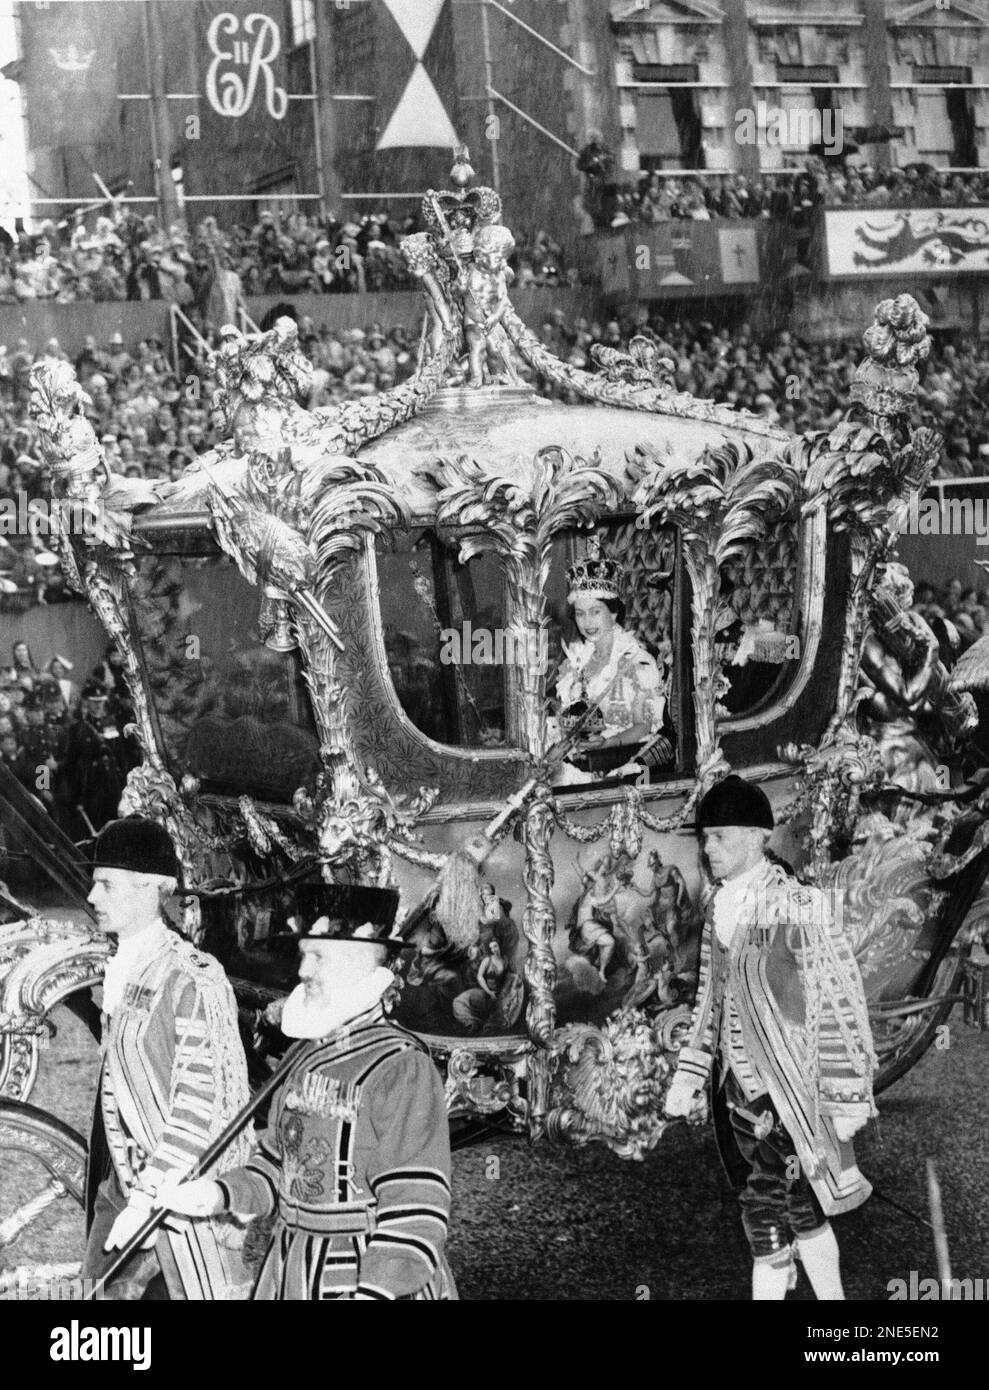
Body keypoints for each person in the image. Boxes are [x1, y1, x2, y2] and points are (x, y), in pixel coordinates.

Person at [158, 881, 457, 1300]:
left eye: (318, 956)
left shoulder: (402, 1068)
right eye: (303, 955)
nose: (302, 971)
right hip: (295, 1268)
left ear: (361, 962)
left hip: (367, 1279)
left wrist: (374, 1292)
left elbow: (416, 1206)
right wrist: (219, 1194)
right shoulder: (306, 1053)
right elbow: (279, 1162)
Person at [664, 775, 876, 1301]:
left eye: (719, 837)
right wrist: (691, 1074)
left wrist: (847, 1094)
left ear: (756, 836)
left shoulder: (798, 906)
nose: (707, 849)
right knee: (792, 1205)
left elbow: (838, 1001)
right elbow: (709, 1002)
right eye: (704, 839)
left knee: (767, 1204)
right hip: (742, 1096)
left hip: (793, 1090)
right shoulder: (718, 910)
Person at [81, 816, 253, 1299]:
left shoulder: (192, 977)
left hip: (182, 1194)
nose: (93, 898)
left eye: (106, 885)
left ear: (149, 890)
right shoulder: (125, 967)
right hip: (125, 1183)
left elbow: (202, 1098)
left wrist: (152, 1196)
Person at [552, 543, 670, 779]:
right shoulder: (575, 661)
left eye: (595, 612)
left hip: (619, 763)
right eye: (580, 613)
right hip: (577, 759)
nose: (587, 622)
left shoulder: (638, 663)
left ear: (614, 613)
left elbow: (644, 726)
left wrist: (607, 744)